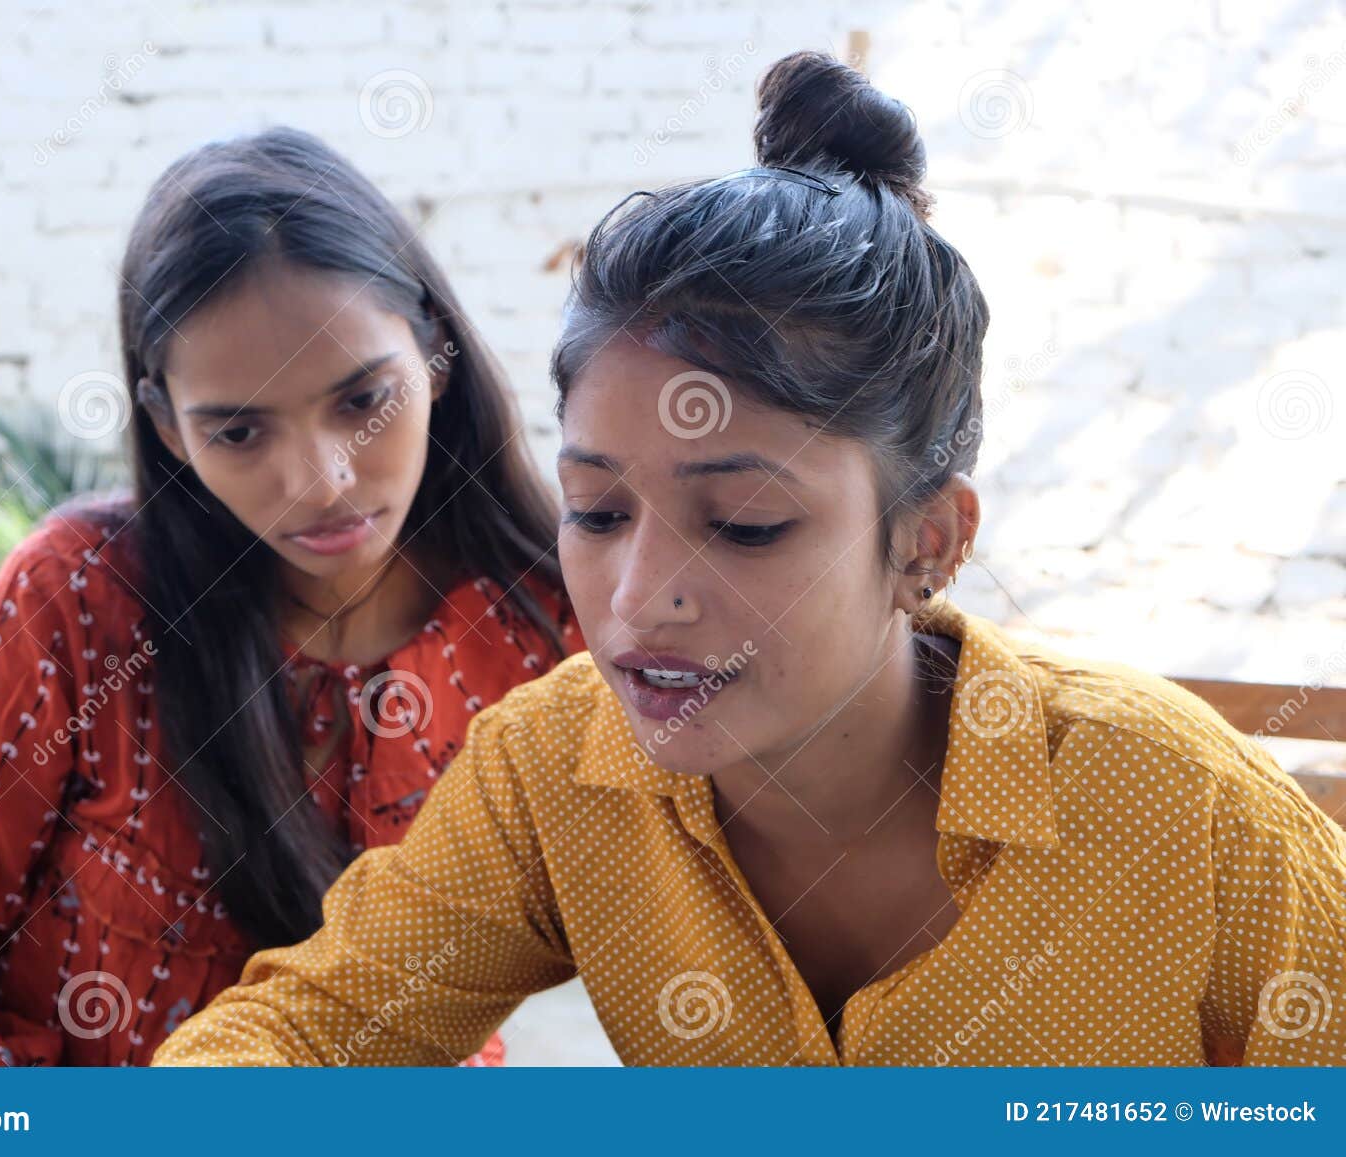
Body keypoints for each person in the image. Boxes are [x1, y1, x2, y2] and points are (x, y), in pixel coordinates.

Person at [151, 52, 1346, 1067]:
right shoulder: (550, 773)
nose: (635, 599)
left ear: (924, 541)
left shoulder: (1174, 807)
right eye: (598, 512)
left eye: (746, 525)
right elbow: (310, 1030)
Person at [0, 126, 581, 1067]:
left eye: (361, 400)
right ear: (168, 428)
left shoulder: (548, 626)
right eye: (242, 431)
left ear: (436, 358)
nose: (321, 479)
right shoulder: (80, 602)